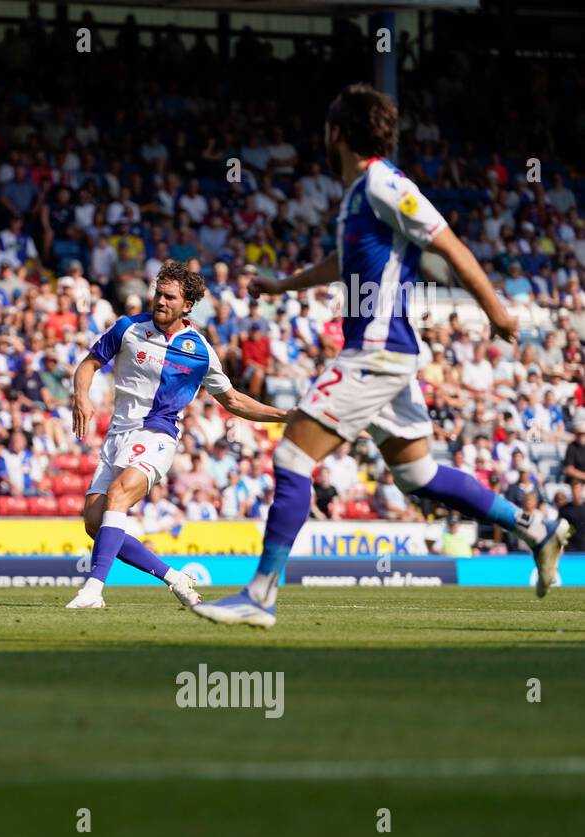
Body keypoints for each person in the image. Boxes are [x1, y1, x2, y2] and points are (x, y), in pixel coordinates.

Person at [194, 84, 571, 629]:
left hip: (376, 351)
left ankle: (261, 594)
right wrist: (283, 286)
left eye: (327, 130)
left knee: (294, 456)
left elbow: (450, 244)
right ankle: (535, 528)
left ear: (338, 133)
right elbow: (339, 262)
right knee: (418, 474)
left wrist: (497, 312)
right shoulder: (357, 196)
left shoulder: (385, 183)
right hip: (388, 357)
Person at [68, 261, 287, 609]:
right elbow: (89, 364)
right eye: (158, 293)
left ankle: (93, 590)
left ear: (187, 305)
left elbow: (232, 399)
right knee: (95, 524)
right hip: (117, 435)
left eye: (169, 297)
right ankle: (175, 577)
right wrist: (81, 396)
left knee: (119, 495)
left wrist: (284, 415)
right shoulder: (127, 328)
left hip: (158, 433)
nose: (160, 301)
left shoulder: (199, 350)